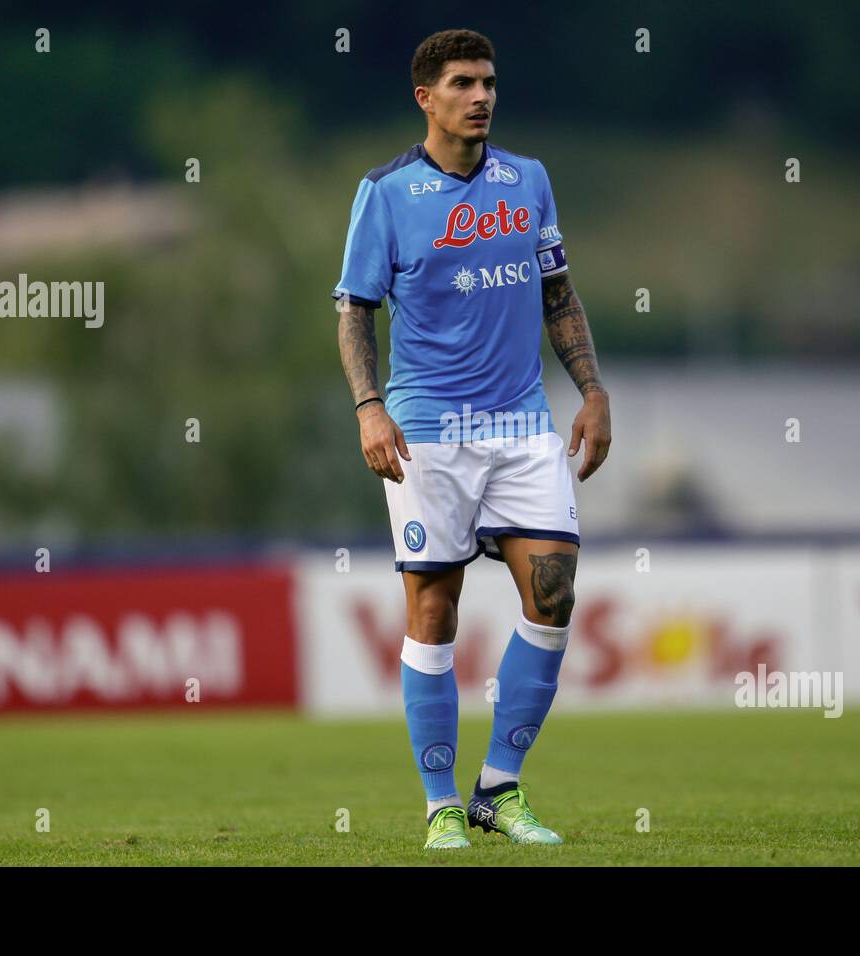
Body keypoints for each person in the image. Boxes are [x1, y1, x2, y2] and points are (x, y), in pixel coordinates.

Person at [332, 28, 612, 849]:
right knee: (432, 607)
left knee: (554, 590)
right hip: (427, 431)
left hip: (523, 424)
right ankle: (439, 803)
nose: (481, 95)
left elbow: (558, 291)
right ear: (426, 98)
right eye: (463, 83)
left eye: (488, 81)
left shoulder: (529, 180)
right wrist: (368, 406)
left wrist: (591, 389)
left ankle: (500, 789)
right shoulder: (384, 193)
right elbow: (354, 307)